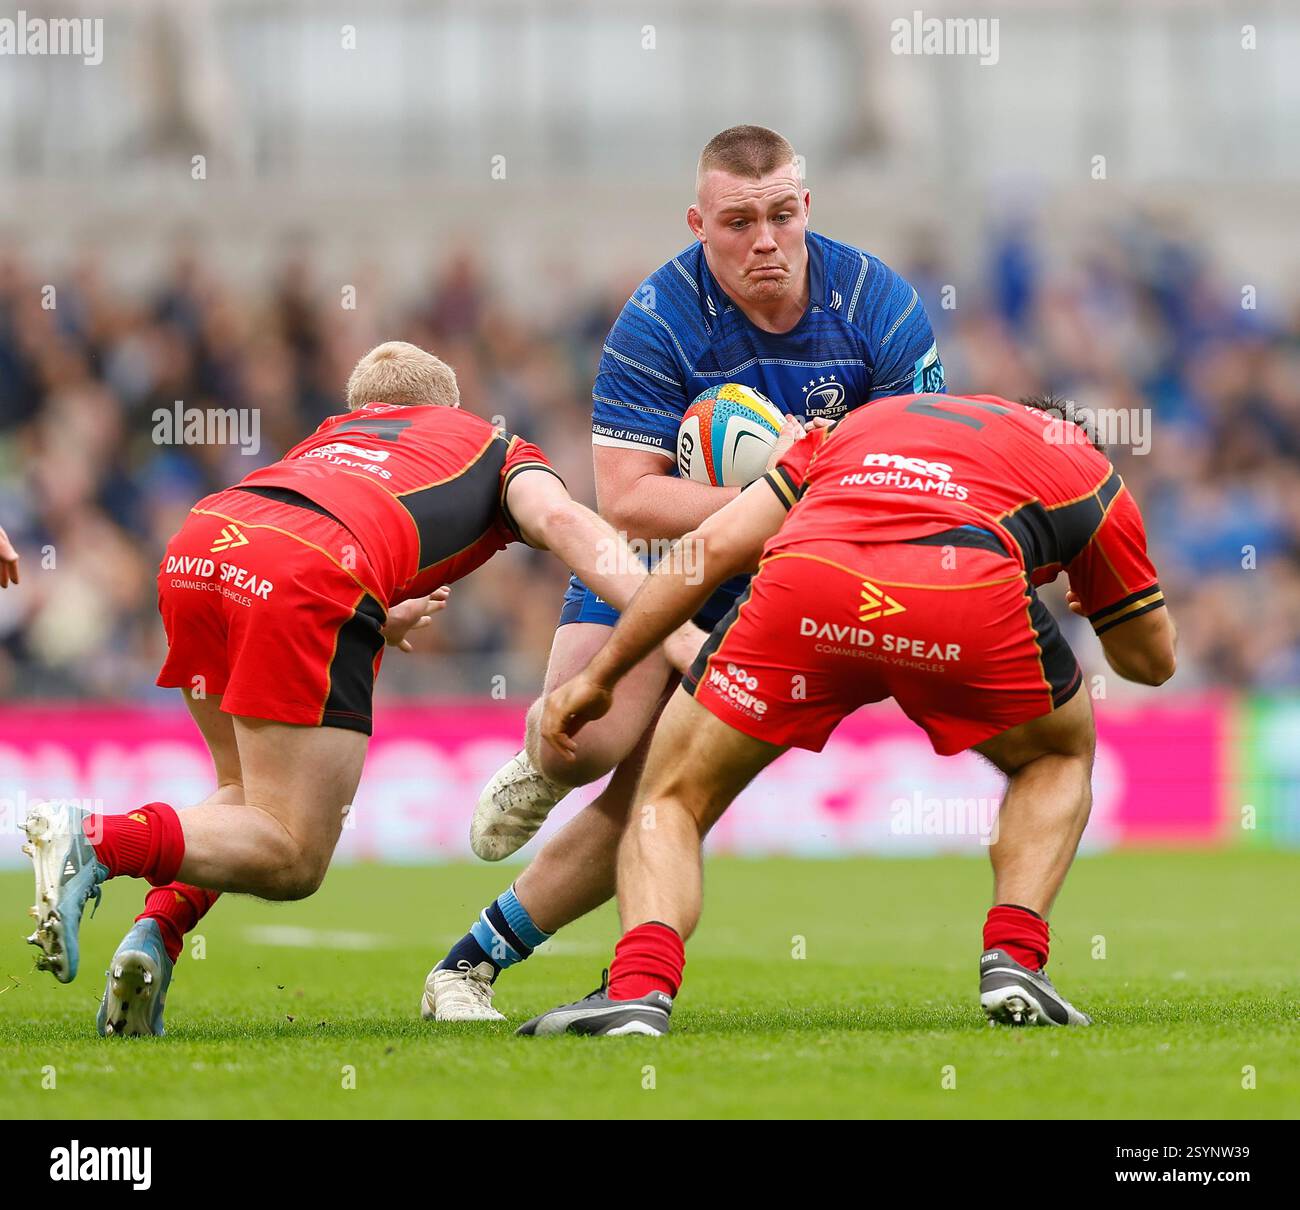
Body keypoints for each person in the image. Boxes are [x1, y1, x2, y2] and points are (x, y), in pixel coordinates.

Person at [19, 341, 698, 1037]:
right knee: (291, 855)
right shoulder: (492, 443)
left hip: (204, 545)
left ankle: (155, 936)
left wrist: (377, 605)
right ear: (448, 407)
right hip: (304, 578)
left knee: (244, 804)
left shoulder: (333, 436)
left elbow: (332, 516)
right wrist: (672, 629)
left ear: (366, 409)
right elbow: (564, 522)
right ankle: (96, 840)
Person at [424, 123, 945, 1021]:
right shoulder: (659, 315)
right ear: (699, 222)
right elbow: (627, 498)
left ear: (807, 208)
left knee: (660, 795)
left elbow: (914, 474)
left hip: (793, 580)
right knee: (589, 745)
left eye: (782, 214)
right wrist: (780, 497)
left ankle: (472, 968)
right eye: (739, 221)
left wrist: (798, 518)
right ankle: (542, 763)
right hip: (674, 559)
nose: (766, 240)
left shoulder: (879, 305)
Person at [519, 392, 1176, 1036]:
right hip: (961, 597)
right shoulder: (1089, 470)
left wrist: (601, 676)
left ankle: (638, 991)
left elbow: (711, 550)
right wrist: (1094, 598)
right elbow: (1150, 663)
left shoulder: (857, 424)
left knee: (670, 797)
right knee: (1056, 754)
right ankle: (1014, 960)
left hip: (808, 583)